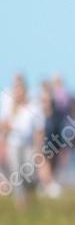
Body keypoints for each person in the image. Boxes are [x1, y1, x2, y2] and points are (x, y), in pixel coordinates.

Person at [0, 80, 44, 210]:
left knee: (29, 172)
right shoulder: (9, 108)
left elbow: (39, 129)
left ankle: (30, 193)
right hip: (13, 144)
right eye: (16, 91)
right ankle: (20, 201)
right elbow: (3, 127)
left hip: (28, 144)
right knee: (16, 172)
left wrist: (38, 148)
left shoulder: (34, 107)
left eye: (21, 91)